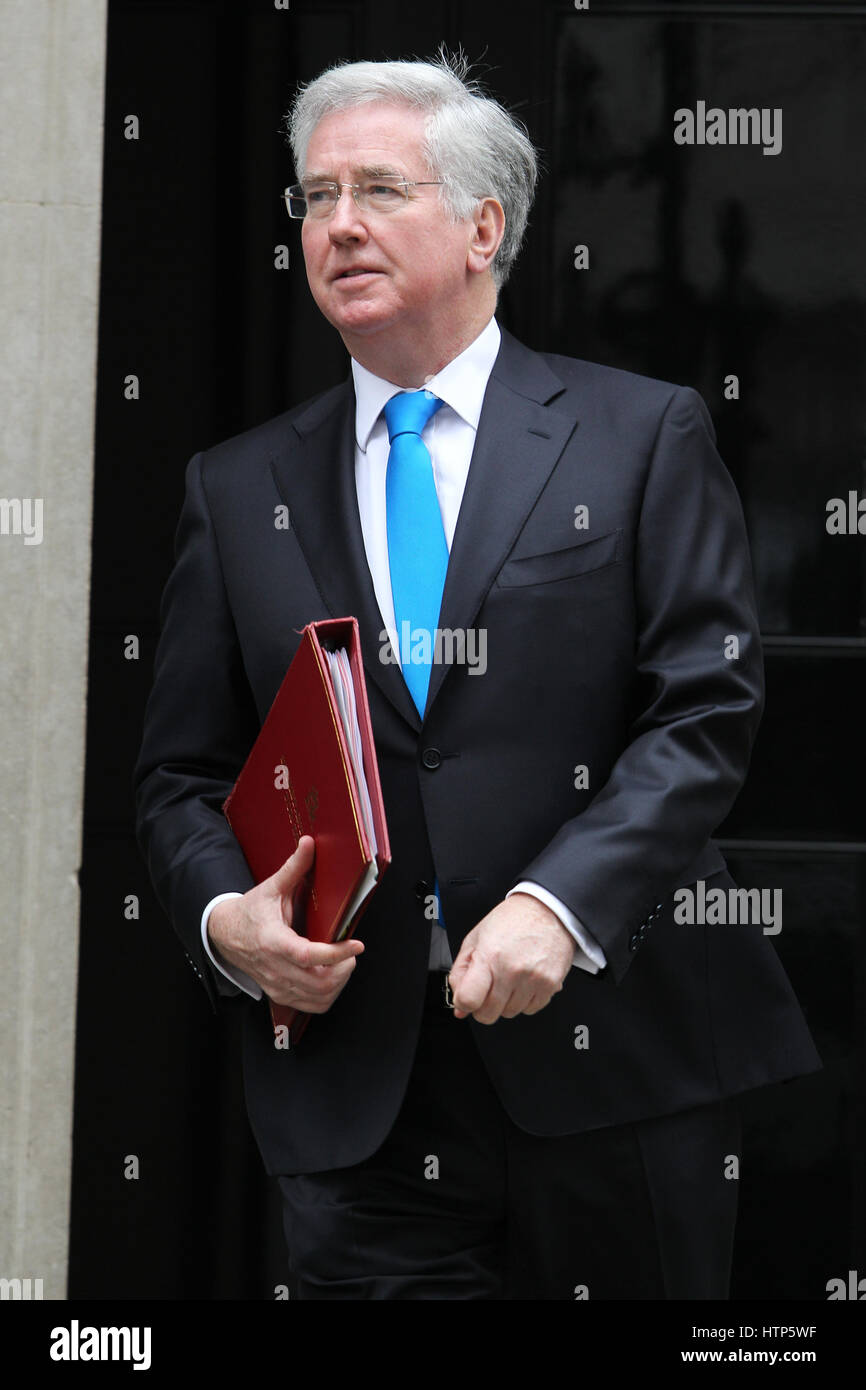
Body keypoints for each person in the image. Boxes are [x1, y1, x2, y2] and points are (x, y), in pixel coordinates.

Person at [134, 52, 821, 1300]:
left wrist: (557, 906)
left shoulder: (638, 433)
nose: (335, 224)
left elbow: (703, 709)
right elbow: (181, 773)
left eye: (378, 190)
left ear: (483, 225)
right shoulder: (236, 488)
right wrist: (224, 921)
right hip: (361, 1102)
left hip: (618, 1063)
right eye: (314, 196)